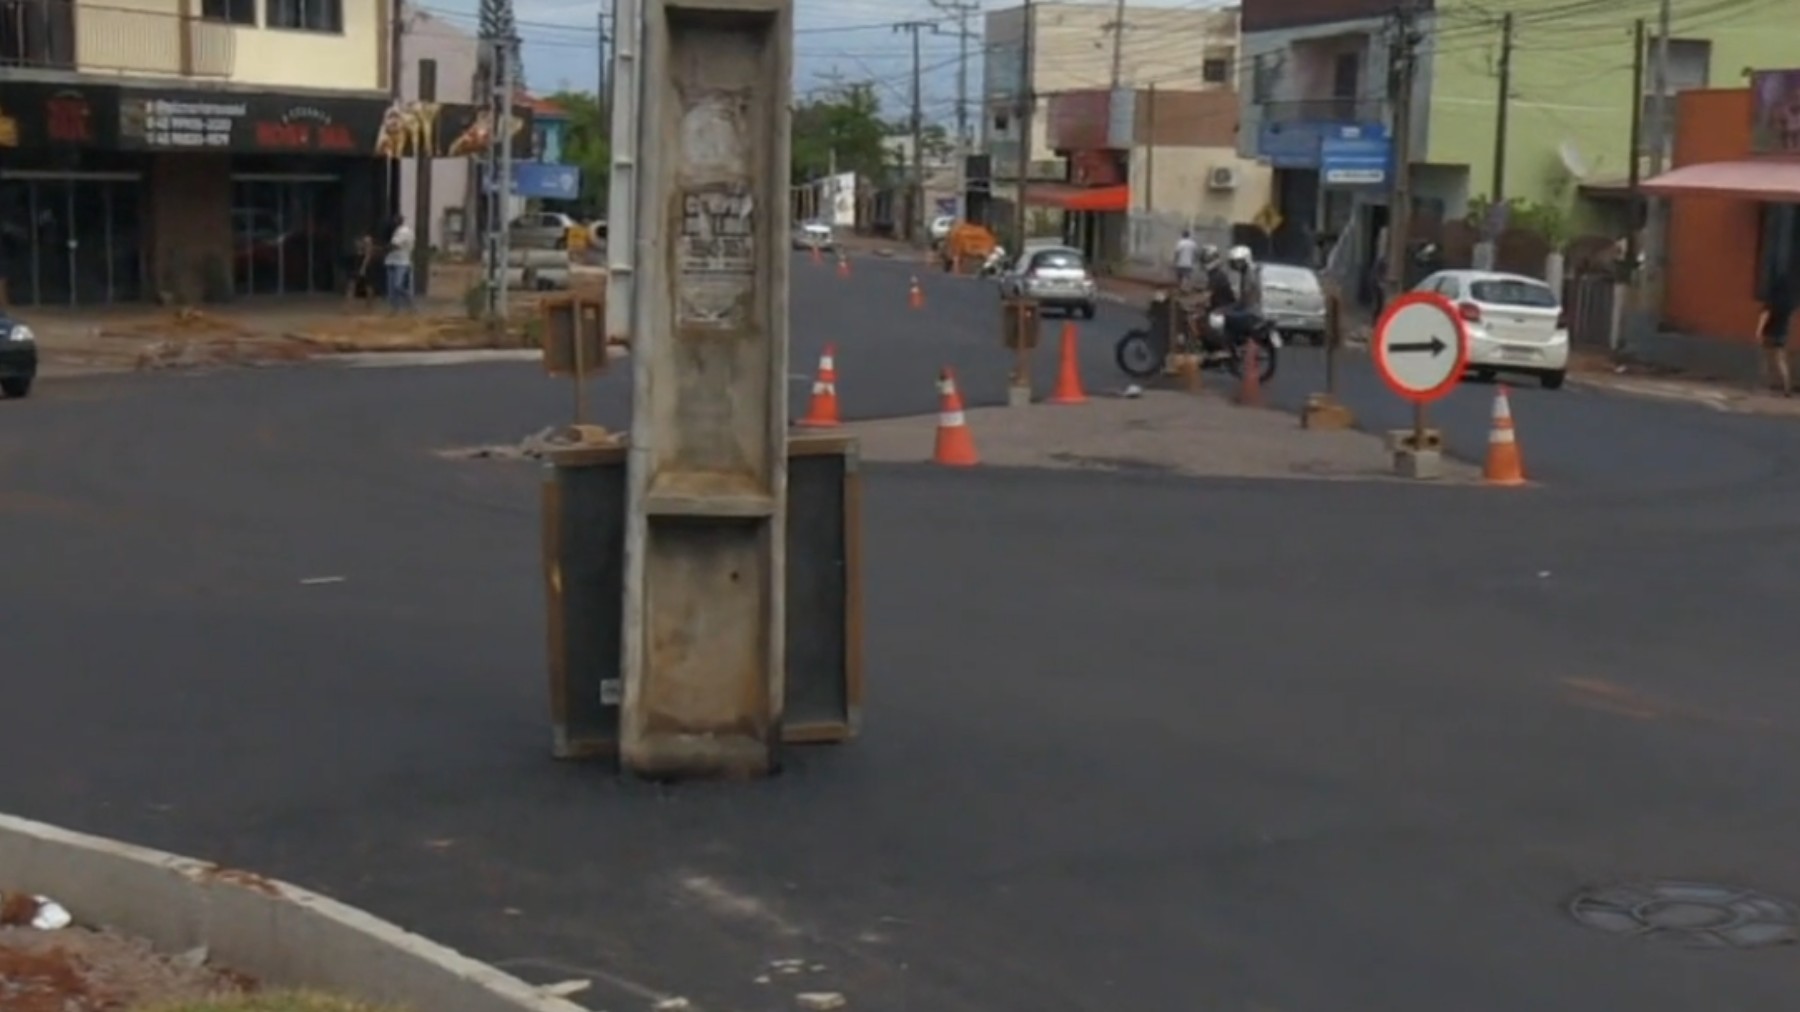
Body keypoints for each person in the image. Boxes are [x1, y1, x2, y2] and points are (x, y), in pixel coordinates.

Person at [1757, 273, 1794, 396]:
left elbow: (1766, 314)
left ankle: (1769, 384)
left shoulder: (1770, 299)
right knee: (1781, 360)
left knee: (1767, 359)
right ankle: (1787, 386)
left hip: (1769, 332)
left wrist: (1759, 330)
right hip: (1782, 332)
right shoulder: (1787, 302)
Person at [384, 215, 415, 313]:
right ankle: (395, 309)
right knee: (391, 289)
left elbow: (395, 245)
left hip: (402, 262)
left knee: (398, 285)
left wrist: (381, 249)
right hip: (392, 260)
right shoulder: (397, 232)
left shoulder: (403, 232)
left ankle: (409, 302)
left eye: (395, 220)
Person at [345, 234, 377, 311]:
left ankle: (369, 306)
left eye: (368, 242)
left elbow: (368, 258)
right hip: (358, 266)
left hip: (366, 268)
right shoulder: (360, 250)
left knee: (368, 287)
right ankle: (348, 306)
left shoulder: (369, 250)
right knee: (352, 286)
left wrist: (363, 268)